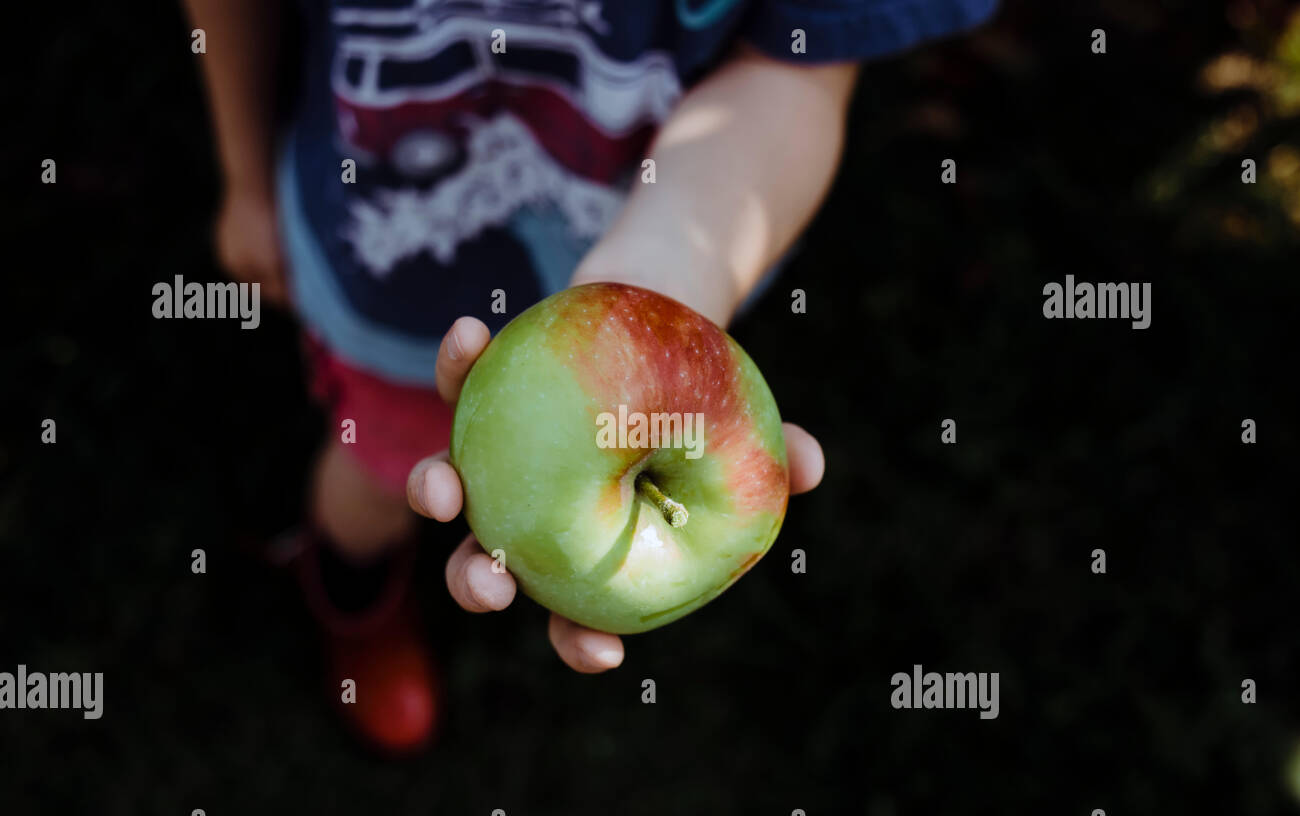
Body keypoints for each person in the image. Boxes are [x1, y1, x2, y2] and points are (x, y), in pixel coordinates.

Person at [184, 0, 998, 754]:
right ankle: (353, 594)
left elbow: (797, 61)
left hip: (641, 236)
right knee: (375, 479)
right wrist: (243, 170)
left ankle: (354, 589)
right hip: (393, 264)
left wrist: (657, 289)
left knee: (417, 482)